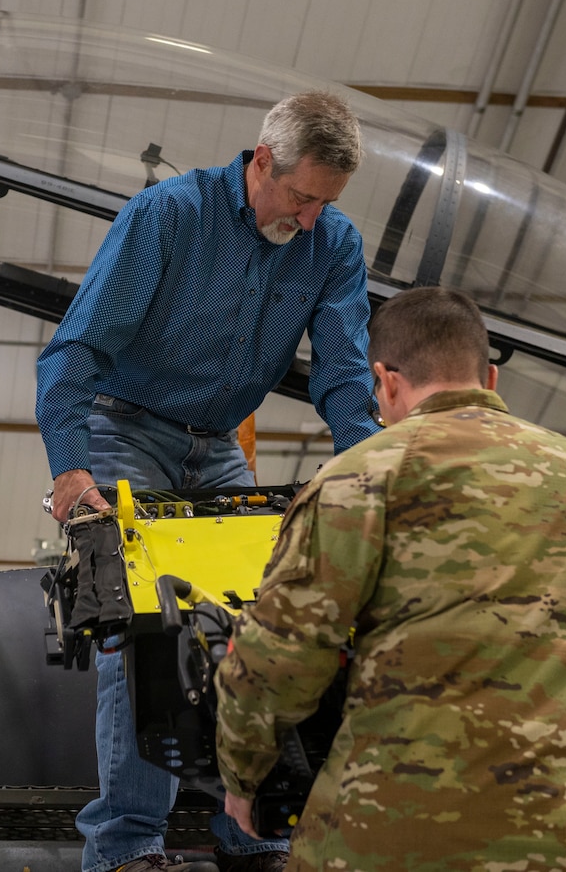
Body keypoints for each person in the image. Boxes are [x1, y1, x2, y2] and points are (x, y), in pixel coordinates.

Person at [35, 91, 382, 872]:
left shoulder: (332, 244)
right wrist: (69, 465)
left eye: (328, 202)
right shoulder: (169, 215)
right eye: (302, 196)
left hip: (218, 442)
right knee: (142, 624)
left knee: (269, 623)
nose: (313, 216)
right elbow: (73, 353)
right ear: (262, 161)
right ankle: (128, 847)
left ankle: (253, 823)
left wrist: (371, 468)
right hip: (126, 427)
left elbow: (346, 374)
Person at [214, 287, 566, 871]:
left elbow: (278, 660)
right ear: (489, 377)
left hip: (395, 844)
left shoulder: (360, 477)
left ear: (384, 381)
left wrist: (242, 778)